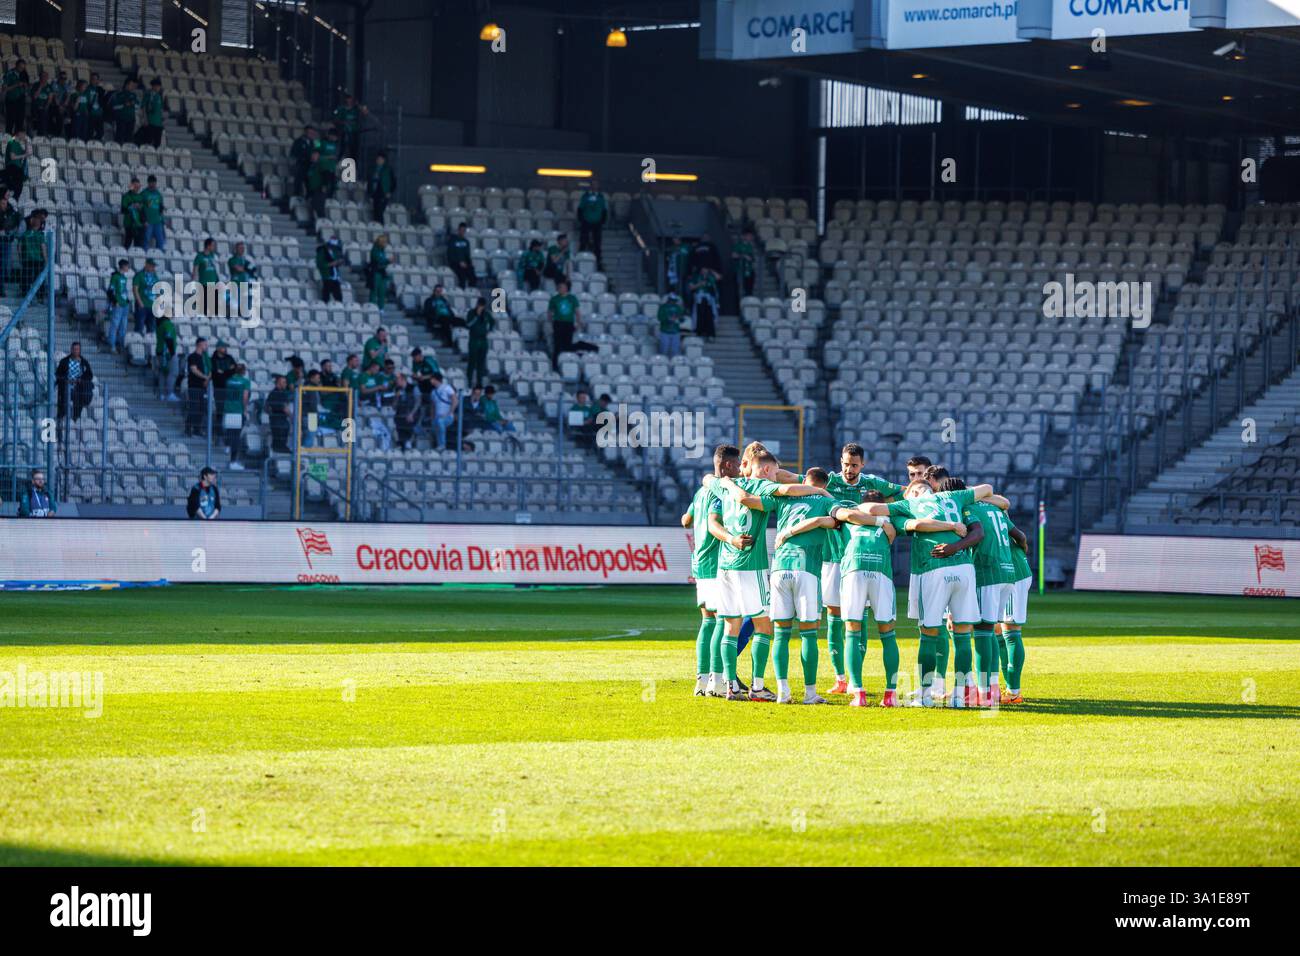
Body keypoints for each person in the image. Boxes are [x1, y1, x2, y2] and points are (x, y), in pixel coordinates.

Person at [707, 452, 833, 701]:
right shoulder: (762, 485)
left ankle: (729, 685)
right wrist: (821, 492)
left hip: (725, 564)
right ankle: (757, 686)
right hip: (749, 564)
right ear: (765, 471)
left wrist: (726, 481)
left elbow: (706, 479)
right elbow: (787, 491)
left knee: (730, 626)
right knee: (763, 626)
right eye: (774, 472)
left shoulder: (724, 485)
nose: (776, 477)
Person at [682, 445, 736, 697]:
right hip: (716, 562)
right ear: (726, 466)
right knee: (721, 621)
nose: (738, 470)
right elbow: (715, 522)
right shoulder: (718, 493)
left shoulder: (700, 492)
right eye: (736, 466)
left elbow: (686, 520)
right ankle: (717, 680)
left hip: (699, 561)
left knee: (707, 621)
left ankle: (701, 681)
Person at [55, 341, 95, 440]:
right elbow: (58, 374)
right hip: (66, 387)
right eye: (74, 349)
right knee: (62, 405)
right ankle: (60, 421)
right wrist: (66, 380)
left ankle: (75, 419)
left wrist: (80, 380)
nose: (75, 351)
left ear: (80, 350)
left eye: (77, 349)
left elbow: (89, 375)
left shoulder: (84, 362)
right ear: (71, 349)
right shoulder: (64, 361)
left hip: (78, 388)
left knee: (79, 401)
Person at [222, 362, 251, 470]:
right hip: (238, 410)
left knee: (230, 431)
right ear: (244, 371)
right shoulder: (245, 381)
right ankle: (233, 461)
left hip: (228, 408)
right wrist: (245, 410)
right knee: (236, 435)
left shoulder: (229, 381)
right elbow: (245, 397)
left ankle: (227, 446)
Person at [547, 277, 579, 369]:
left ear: (566, 288)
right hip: (558, 323)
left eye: (562, 287)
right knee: (557, 345)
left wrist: (578, 322)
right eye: (559, 287)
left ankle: (567, 365)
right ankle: (555, 365)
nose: (560, 288)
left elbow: (577, 311)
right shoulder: (554, 299)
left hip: (569, 323)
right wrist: (551, 322)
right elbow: (549, 312)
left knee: (568, 345)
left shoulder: (572, 298)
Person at [576, 180, 608, 269]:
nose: (594, 186)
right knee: (583, 240)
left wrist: (602, 220)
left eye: (596, 184)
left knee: (597, 243)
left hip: (597, 223)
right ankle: (580, 259)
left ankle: (598, 262)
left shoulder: (601, 197)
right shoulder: (585, 196)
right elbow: (580, 208)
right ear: (590, 186)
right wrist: (581, 220)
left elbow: (604, 209)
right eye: (593, 184)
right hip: (586, 222)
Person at [464, 296, 493, 390]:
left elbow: (492, 322)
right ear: (477, 304)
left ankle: (479, 382)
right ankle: (469, 381)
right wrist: (477, 316)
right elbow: (468, 324)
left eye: (483, 305)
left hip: (483, 340)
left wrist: (489, 329)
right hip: (474, 340)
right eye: (480, 305)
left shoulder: (486, 314)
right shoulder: (471, 313)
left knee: (481, 363)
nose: (481, 307)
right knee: (472, 362)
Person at [185, 337, 212, 437]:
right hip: (194, 386)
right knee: (194, 407)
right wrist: (205, 377)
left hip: (204, 387)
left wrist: (207, 379)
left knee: (202, 408)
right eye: (205, 344)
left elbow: (210, 370)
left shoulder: (205, 358)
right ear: (199, 344)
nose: (206, 346)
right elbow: (193, 370)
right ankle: (188, 427)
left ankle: (197, 428)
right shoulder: (192, 356)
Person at [105, 258, 131, 353]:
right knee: (115, 324)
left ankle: (120, 345)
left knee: (123, 326)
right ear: (123, 266)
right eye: (127, 266)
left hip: (124, 305)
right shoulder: (115, 276)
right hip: (118, 305)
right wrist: (115, 301)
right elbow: (110, 291)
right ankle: (112, 345)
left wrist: (127, 300)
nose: (128, 267)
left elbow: (123, 290)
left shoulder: (124, 277)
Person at [155, 305, 179, 401]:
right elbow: (168, 337)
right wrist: (172, 353)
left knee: (162, 373)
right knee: (173, 372)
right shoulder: (167, 324)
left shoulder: (160, 323)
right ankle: (169, 393)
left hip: (160, 351)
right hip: (167, 353)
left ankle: (161, 394)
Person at [0, 192, 22, 296]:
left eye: (4, 202)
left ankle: (2, 288)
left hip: (6, 242)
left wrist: (10, 232)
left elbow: (17, 222)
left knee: (4, 265)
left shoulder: (11, 211)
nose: (3, 204)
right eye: (1, 202)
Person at [429, 371, 457, 450]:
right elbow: (433, 406)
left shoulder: (447, 388)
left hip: (448, 417)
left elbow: (455, 400)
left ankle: (442, 445)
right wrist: (432, 417)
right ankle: (438, 445)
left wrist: (450, 413)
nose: (430, 381)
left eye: (432, 379)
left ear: (436, 379)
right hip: (437, 417)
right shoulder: (433, 392)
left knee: (440, 422)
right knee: (436, 424)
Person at [689, 267, 720, 340]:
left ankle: (710, 334)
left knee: (710, 317)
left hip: (709, 300)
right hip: (699, 299)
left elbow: (718, 279)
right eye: (703, 269)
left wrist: (712, 271)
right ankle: (700, 333)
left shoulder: (711, 278)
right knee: (699, 316)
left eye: (706, 269)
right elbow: (691, 287)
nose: (704, 270)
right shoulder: (696, 277)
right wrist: (699, 284)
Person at [393, 373, 421, 450]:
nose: (396, 381)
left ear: (403, 379)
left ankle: (409, 442)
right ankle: (402, 444)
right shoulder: (397, 389)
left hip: (411, 413)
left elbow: (418, 401)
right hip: (400, 414)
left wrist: (412, 414)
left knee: (409, 426)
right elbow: (394, 406)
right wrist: (396, 397)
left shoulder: (413, 388)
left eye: (397, 380)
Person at [266, 374, 293, 454]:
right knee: (280, 441)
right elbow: (285, 408)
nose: (286, 384)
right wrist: (293, 417)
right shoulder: (280, 393)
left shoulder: (272, 393)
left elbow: (267, 407)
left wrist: (271, 413)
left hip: (274, 420)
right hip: (280, 421)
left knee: (277, 441)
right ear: (278, 383)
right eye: (284, 382)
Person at [132, 258, 159, 334]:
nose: (153, 268)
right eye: (151, 266)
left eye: (154, 266)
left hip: (152, 305)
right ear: (146, 265)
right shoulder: (139, 275)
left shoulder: (155, 276)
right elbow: (135, 289)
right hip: (142, 305)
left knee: (152, 327)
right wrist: (140, 303)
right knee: (139, 326)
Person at [289, 125, 318, 198]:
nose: (311, 135)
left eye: (312, 133)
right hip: (301, 165)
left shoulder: (312, 143)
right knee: (298, 182)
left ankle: (309, 197)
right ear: (305, 132)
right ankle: (296, 196)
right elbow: (293, 153)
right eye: (309, 133)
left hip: (309, 166)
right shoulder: (298, 141)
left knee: (309, 183)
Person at [368, 151, 396, 223]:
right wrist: (370, 194)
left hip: (384, 193)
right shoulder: (373, 169)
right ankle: (377, 227)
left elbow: (394, 182)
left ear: (384, 160)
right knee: (376, 211)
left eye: (380, 159)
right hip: (375, 193)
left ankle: (380, 227)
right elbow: (370, 182)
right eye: (378, 159)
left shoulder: (388, 169)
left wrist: (390, 192)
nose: (379, 160)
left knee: (380, 211)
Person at [3, 59, 29, 133]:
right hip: (11, 100)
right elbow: (4, 89)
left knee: (20, 121)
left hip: (21, 99)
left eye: (23, 68)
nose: (21, 69)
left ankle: (17, 140)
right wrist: (16, 85)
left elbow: (27, 85)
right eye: (20, 67)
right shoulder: (9, 74)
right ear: (16, 66)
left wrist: (25, 86)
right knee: (10, 121)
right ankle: (8, 139)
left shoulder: (24, 74)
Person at [447, 222, 476, 288]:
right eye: (461, 230)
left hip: (464, 264)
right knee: (462, 276)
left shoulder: (466, 242)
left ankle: (471, 291)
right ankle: (462, 291)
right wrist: (459, 262)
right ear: (458, 230)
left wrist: (469, 263)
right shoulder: (453, 240)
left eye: (464, 230)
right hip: (455, 263)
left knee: (472, 275)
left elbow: (467, 255)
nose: (463, 232)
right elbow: (450, 254)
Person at [110, 77, 139, 143]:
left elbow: (138, 106)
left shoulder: (134, 95)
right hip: (121, 119)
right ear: (127, 85)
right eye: (131, 85)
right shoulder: (118, 94)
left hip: (131, 119)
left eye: (134, 85)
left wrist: (133, 104)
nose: (133, 87)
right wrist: (124, 105)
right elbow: (114, 107)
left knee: (129, 138)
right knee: (119, 137)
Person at [141, 175, 166, 251]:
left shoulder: (158, 194)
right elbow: (140, 209)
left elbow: (161, 208)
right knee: (146, 240)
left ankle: (160, 257)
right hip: (148, 222)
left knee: (161, 241)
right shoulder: (143, 194)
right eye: (151, 183)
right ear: (148, 183)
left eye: (154, 183)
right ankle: (145, 257)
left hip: (158, 222)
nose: (152, 185)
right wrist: (144, 220)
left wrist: (163, 220)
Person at [368, 234, 393, 308]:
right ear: (380, 242)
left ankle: (381, 309)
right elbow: (378, 260)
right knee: (374, 291)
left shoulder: (382, 251)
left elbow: (383, 262)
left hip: (382, 273)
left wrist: (387, 262)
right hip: (375, 273)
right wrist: (387, 260)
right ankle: (372, 308)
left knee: (382, 292)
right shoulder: (374, 250)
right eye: (384, 242)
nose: (386, 244)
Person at [3, 129, 28, 202]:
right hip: (12, 167)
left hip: (18, 168)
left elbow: (26, 153)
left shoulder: (18, 145)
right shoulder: (12, 142)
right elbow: (12, 157)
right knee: (17, 183)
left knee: (20, 183)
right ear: (19, 133)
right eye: (24, 134)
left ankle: (14, 198)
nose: (25, 136)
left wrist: (26, 143)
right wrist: (23, 155)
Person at [316, 236, 343, 302]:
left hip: (335, 276)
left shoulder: (335, 251)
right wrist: (331, 264)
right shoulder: (322, 251)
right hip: (327, 276)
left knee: (338, 297)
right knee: (326, 296)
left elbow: (336, 261)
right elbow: (320, 264)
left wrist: (339, 262)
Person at [656, 292, 684, 357]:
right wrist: (667, 319)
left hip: (675, 331)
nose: (673, 301)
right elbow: (659, 318)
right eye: (672, 300)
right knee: (664, 350)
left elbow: (681, 318)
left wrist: (680, 319)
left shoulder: (678, 307)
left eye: (674, 300)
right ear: (669, 299)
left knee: (675, 350)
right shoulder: (663, 307)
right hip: (665, 331)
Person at [733, 228, 758, 297]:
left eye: (751, 236)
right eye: (748, 236)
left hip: (749, 271)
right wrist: (743, 256)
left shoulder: (750, 246)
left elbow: (752, 258)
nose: (750, 237)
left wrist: (750, 258)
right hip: (741, 270)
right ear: (744, 236)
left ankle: (748, 301)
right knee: (740, 289)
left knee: (749, 290)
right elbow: (734, 255)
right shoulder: (738, 245)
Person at [121, 177, 146, 248]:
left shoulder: (140, 197)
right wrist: (131, 206)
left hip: (139, 224)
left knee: (138, 245)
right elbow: (123, 210)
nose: (136, 188)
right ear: (131, 186)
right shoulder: (126, 196)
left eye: (138, 186)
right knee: (128, 243)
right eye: (135, 186)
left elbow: (143, 211)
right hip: (129, 224)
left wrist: (144, 221)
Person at [139, 77, 164, 147]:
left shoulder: (159, 96)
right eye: (158, 86)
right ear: (154, 86)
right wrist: (144, 119)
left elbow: (159, 109)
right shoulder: (148, 94)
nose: (159, 88)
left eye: (159, 86)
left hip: (159, 124)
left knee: (157, 144)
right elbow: (143, 107)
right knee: (148, 142)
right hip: (150, 122)